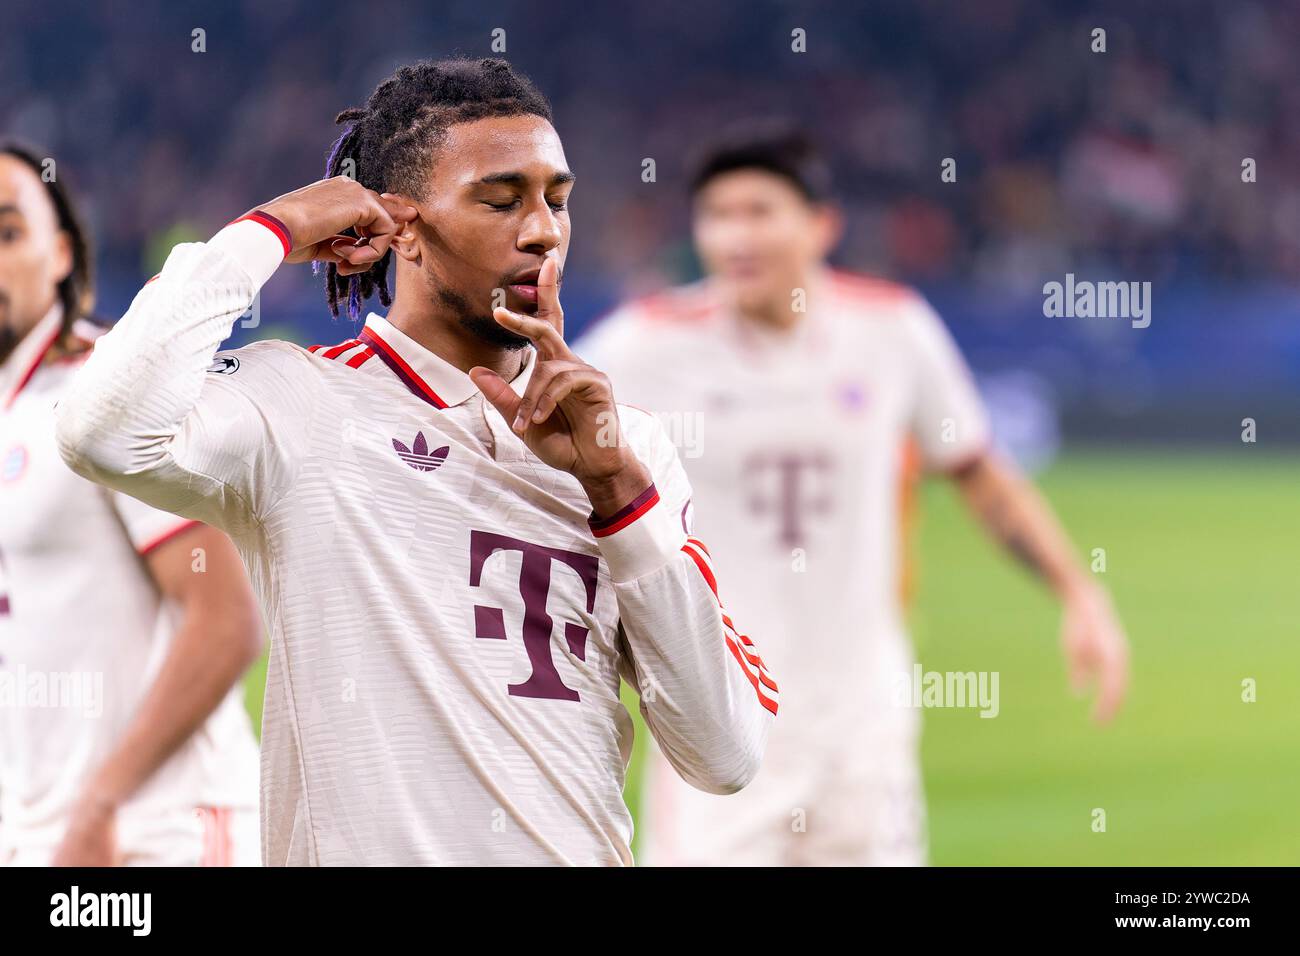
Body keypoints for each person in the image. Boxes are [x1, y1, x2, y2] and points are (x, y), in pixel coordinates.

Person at [54, 58, 777, 866]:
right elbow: (99, 429)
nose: (542, 230)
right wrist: (270, 230)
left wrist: (615, 492)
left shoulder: (626, 450)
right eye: (501, 200)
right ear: (404, 229)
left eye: (558, 200)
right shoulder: (297, 406)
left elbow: (727, 758)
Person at [577, 122, 1129, 866]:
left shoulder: (892, 330)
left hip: (865, 721)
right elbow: (537, 458)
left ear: (821, 225)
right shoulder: (641, 347)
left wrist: (1078, 592)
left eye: (759, 212)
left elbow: (977, 470)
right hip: (719, 721)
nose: (735, 235)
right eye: (717, 215)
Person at [0, 141, 262, 866]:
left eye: (8, 232)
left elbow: (227, 618)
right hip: (43, 836)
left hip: (152, 837)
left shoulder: (107, 398)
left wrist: (103, 801)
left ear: (61, 255)